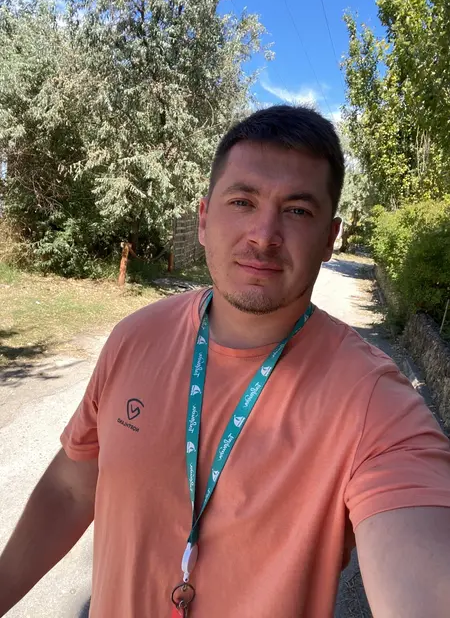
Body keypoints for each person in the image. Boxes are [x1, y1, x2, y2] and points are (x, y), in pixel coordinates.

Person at [1, 105, 450, 618]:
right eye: (242, 201)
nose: (263, 234)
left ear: (330, 238)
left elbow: (423, 564)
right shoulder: (134, 338)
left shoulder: (374, 403)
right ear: (203, 218)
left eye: (297, 211)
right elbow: (69, 487)